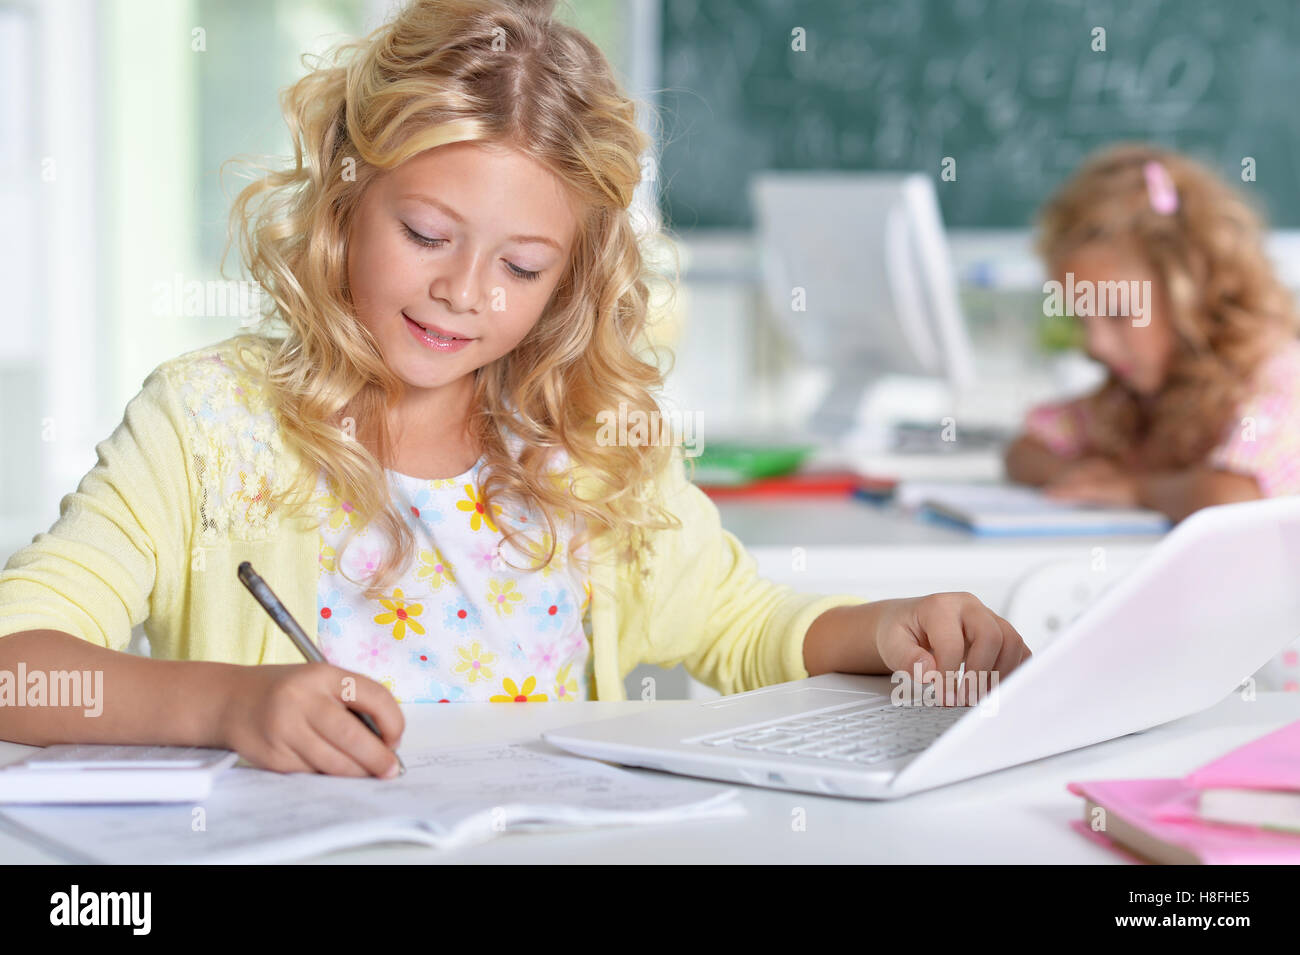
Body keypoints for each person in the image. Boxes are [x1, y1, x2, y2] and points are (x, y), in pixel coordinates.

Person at [0, 0, 1029, 778]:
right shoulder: (208, 422)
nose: (463, 291)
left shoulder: (587, 441)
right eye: (427, 236)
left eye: (522, 266)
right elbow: (18, 667)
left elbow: (736, 623)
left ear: (570, 274)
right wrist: (224, 706)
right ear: (347, 196)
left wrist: (890, 627)